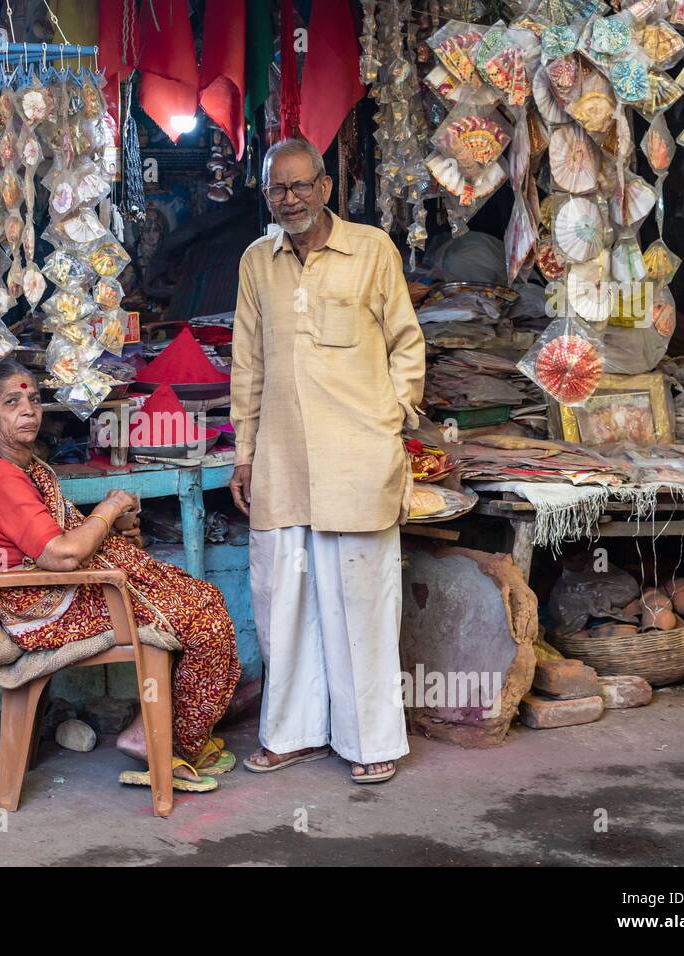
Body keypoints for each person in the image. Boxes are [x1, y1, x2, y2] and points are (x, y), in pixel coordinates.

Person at [229, 138, 426, 785]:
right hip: (282, 460)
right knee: (282, 599)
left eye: (298, 185)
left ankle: (372, 741)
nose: (289, 198)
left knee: (362, 600)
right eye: (276, 190)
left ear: (325, 187)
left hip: (357, 458)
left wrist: (393, 419)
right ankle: (293, 733)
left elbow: (405, 341)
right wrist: (245, 451)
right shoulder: (257, 262)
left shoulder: (371, 251)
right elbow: (247, 364)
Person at [0, 360, 242, 792]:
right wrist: (107, 511)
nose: (29, 411)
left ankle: (155, 732)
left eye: (33, 399)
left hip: (67, 593)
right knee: (206, 616)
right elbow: (63, 555)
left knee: (196, 596)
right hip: (49, 609)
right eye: (11, 402)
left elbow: (56, 536)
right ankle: (158, 741)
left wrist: (110, 528)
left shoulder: (21, 465)